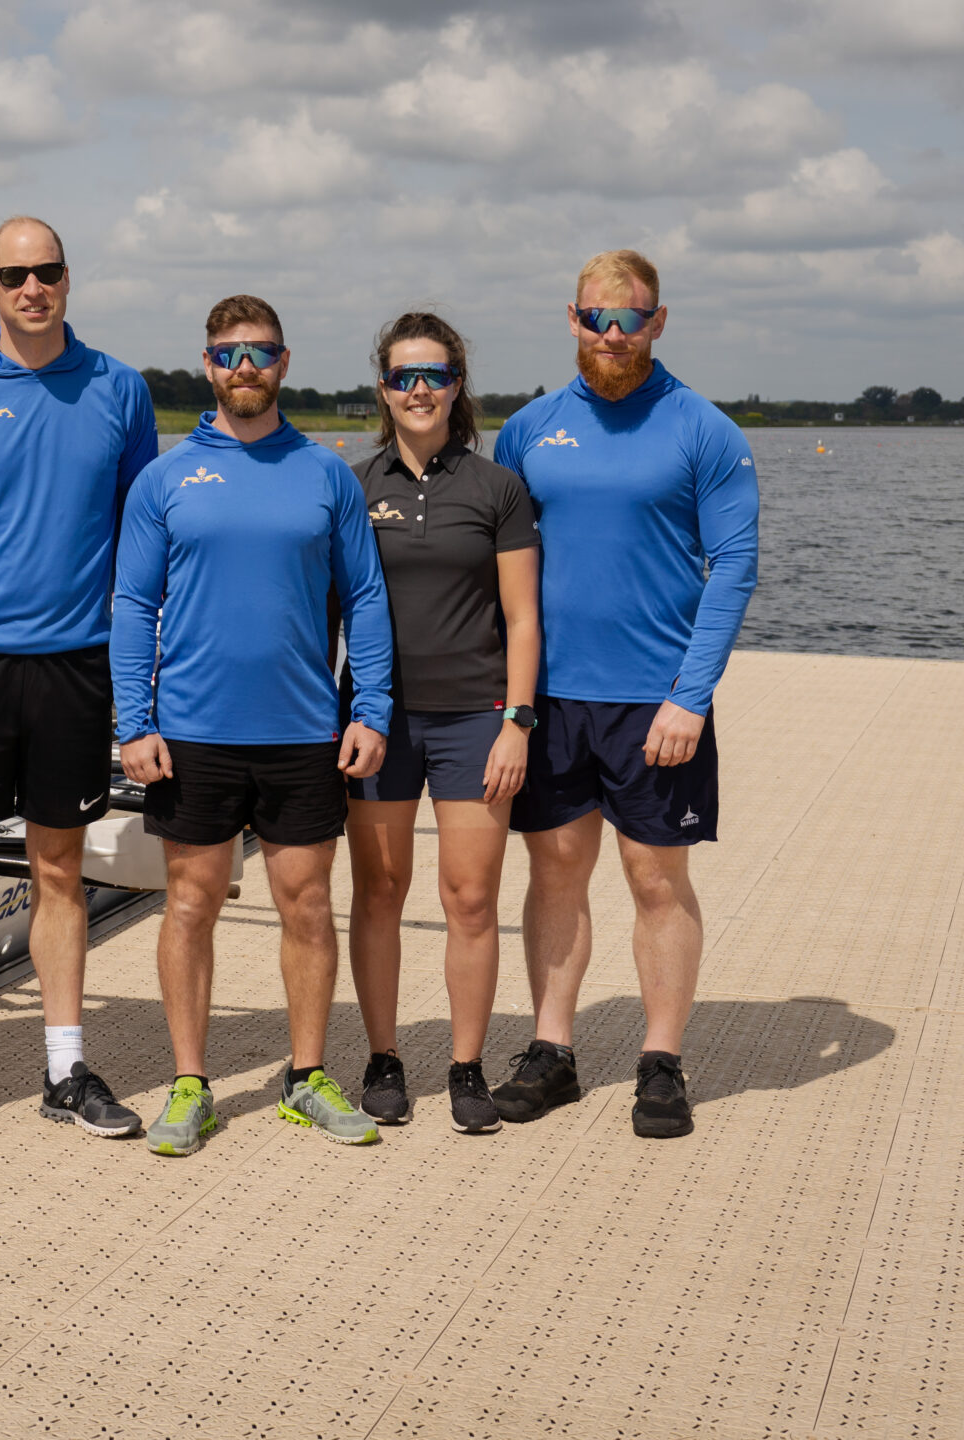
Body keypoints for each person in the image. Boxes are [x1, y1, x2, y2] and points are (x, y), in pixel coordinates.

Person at [112, 294, 396, 1154]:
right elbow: (132, 603)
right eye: (229, 353)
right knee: (191, 905)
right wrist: (135, 720)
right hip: (192, 732)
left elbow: (368, 601)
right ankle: (190, 1084)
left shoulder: (325, 474)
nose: (245, 367)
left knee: (308, 906)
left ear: (283, 362)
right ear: (207, 364)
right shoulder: (165, 478)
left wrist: (371, 708)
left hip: (305, 729)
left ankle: (305, 1076)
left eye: (260, 353)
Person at [492, 249, 760, 1139]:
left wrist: (691, 695)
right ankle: (552, 1053)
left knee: (655, 877)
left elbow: (734, 569)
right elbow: (504, 571)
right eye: (597, 319)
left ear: (659, 320)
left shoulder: (702, 430)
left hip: (657, 700)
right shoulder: (528, 430)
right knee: (556, 871)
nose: (614, 335)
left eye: (632, 318)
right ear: (571, 319)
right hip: (551, 700)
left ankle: (660, 1062)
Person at [0, 216, 158, 1146]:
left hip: (75, 660)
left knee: (60, 864)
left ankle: (63, 1066)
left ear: (67, 278)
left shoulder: (119, 390)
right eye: (14, 274)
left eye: (47, 271)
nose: (32, 288)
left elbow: (141, 530)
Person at [341, 312, 542, 1136]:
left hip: (475, 718)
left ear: (458, 385)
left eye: (434, 374)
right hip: (380, 721)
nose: (418, 390)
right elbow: (326, 614)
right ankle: (384, 1057)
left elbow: (523, 620)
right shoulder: (355, 487)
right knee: (380, 891)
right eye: (402, 376)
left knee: (469, 898)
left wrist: (518, 724)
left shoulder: (496, 489)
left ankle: (466, 1066)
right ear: (382, 388)